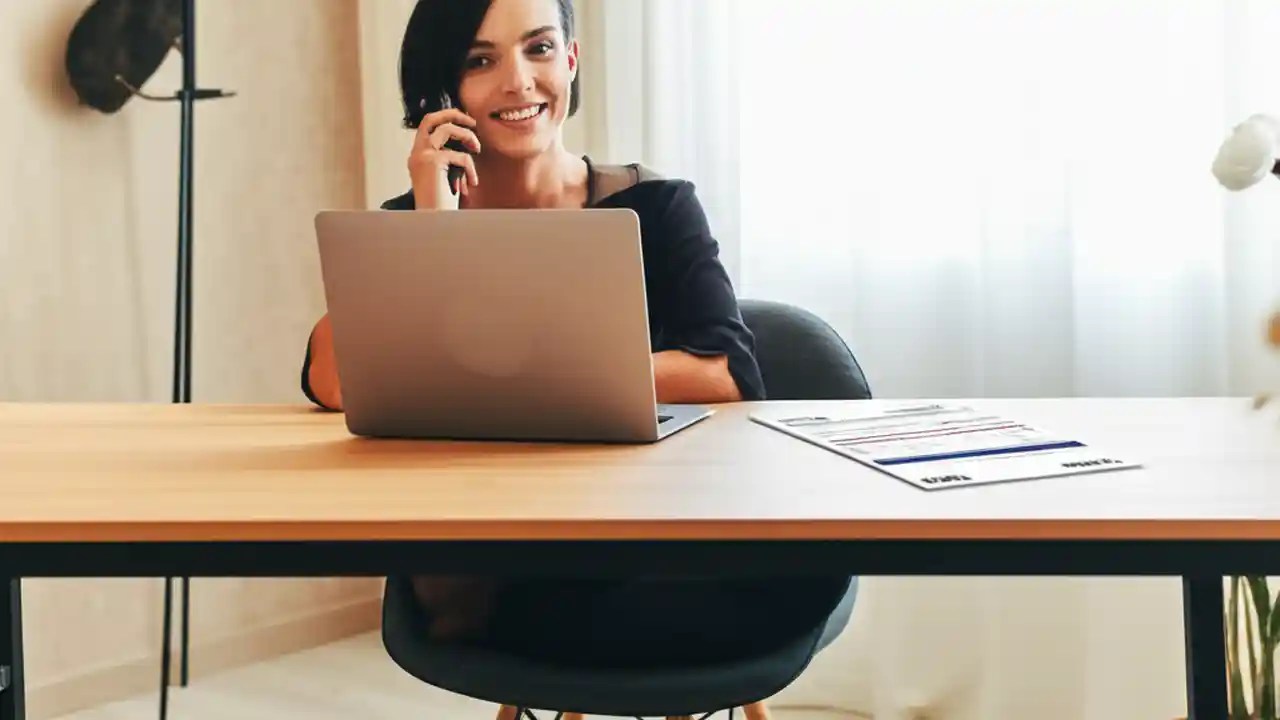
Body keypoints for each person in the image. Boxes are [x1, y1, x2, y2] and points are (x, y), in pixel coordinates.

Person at [300, 0, 848, 668]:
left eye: (538, 49)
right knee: (475, 593)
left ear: (571, 60)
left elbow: (728, 376)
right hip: (493, 553)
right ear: (441, 90)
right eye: (479, 60)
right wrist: (433, 232)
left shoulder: (657, 206)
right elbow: (331, 380)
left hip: (656, 530)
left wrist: (504, 386)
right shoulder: (416, 222)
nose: (518, 81)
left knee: (807, 567)